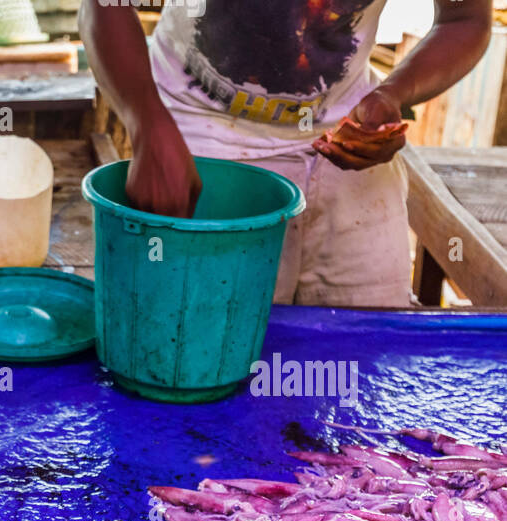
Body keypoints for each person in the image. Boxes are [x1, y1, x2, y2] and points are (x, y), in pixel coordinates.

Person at [80, 0, 493, 307]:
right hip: (196, 127)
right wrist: (148, 124)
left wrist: (392, 94)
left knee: (359, 357)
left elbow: (465, 19)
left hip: (344, 141)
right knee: (191, 341)